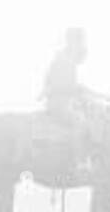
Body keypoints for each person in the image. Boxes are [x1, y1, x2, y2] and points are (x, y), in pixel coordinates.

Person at [41, 27, 101, 173]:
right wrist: (79, 90)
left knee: (92, 113)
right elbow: (60, 85)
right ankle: (79, 162)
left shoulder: (67, 60)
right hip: (58, 103)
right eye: (80, 41)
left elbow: (69, 84)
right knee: (80, 122)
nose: (83, 46)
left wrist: (81, 91)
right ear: (73, 42)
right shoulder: (64, 60)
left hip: (64, 101)